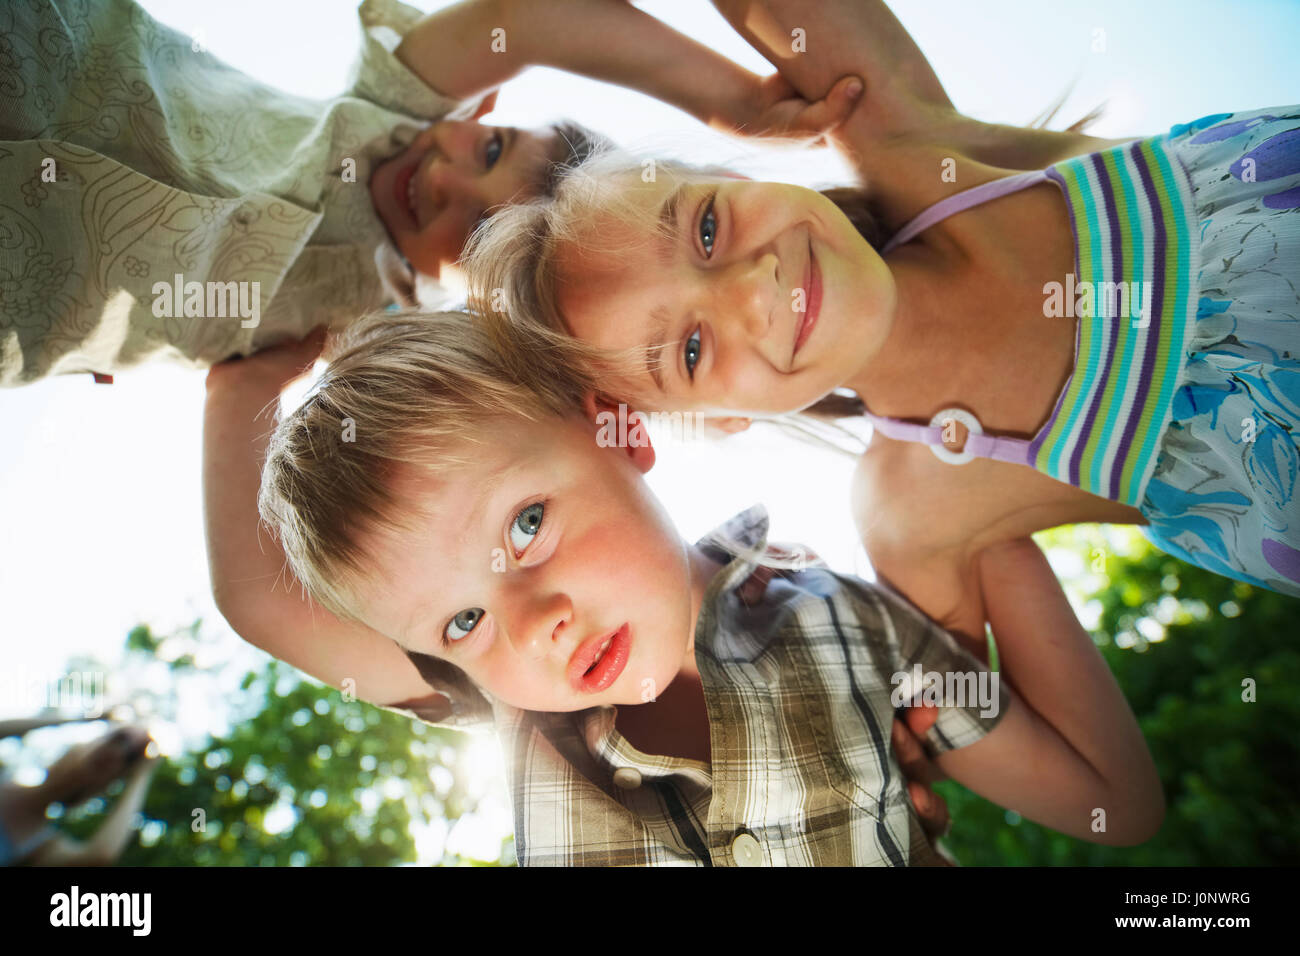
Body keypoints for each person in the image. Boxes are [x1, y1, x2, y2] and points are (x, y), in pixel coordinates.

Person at [211, 310, 1162, 865]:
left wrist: (981, 522)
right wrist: (241, 384)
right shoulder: (516, 719)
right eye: (464, 620)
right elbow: (259, 601)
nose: (537, 625)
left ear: (619, 431)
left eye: (526, 525)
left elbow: (1109, 801)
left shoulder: (843, 622)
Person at [463, 0, 1300, 624]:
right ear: (718, 422)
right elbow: (1052, 779)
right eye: (688, 351)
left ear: (740, 169)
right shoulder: (911, 515)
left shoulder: (914, 149)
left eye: (709, 226)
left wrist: (719, 91)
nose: (755, 291)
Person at [0, 0, 862, 387]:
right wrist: (733, 102)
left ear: (485, 299)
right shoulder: (387, 111)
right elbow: (533, 19)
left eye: (480, 223)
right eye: (488, 147)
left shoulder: (369, 328)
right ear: (482, 110)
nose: (442, 174)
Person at [0, 714, 157, 866]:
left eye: (130, 758)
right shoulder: (4, 775)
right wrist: (86, 718)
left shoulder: (40, 844)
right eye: (119, 738)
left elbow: (99, 855)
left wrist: (143, 773)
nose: (118, 752)